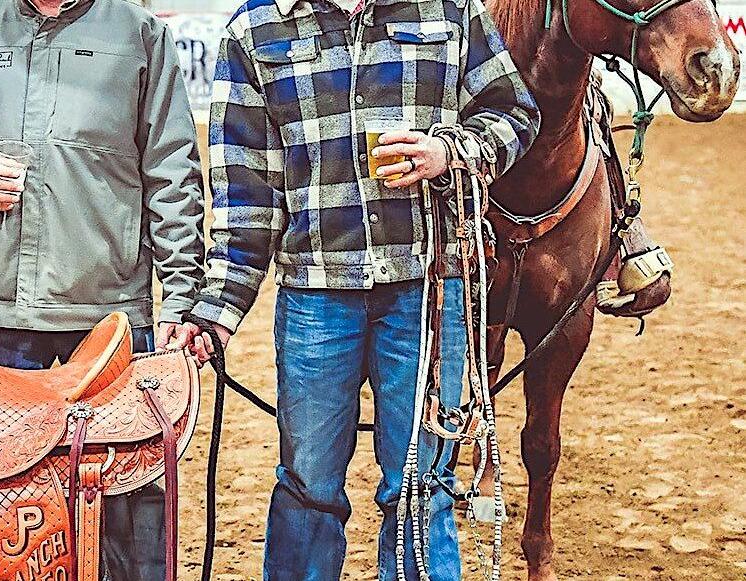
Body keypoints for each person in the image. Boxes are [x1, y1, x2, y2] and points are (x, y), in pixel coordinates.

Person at [183, 0, 540, 579]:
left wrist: (451, 151)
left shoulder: (450, 11)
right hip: (316, 298)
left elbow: (515, 114)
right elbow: (244, 193)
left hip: (428, 289)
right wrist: (218, 309)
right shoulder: (255, 29)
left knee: (423, 486)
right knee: (307, 485)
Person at [0, 0, 204, 578]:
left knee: (130, 508)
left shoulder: (139, 35)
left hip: (108, 318)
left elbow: (172, 170)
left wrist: (182, 296)